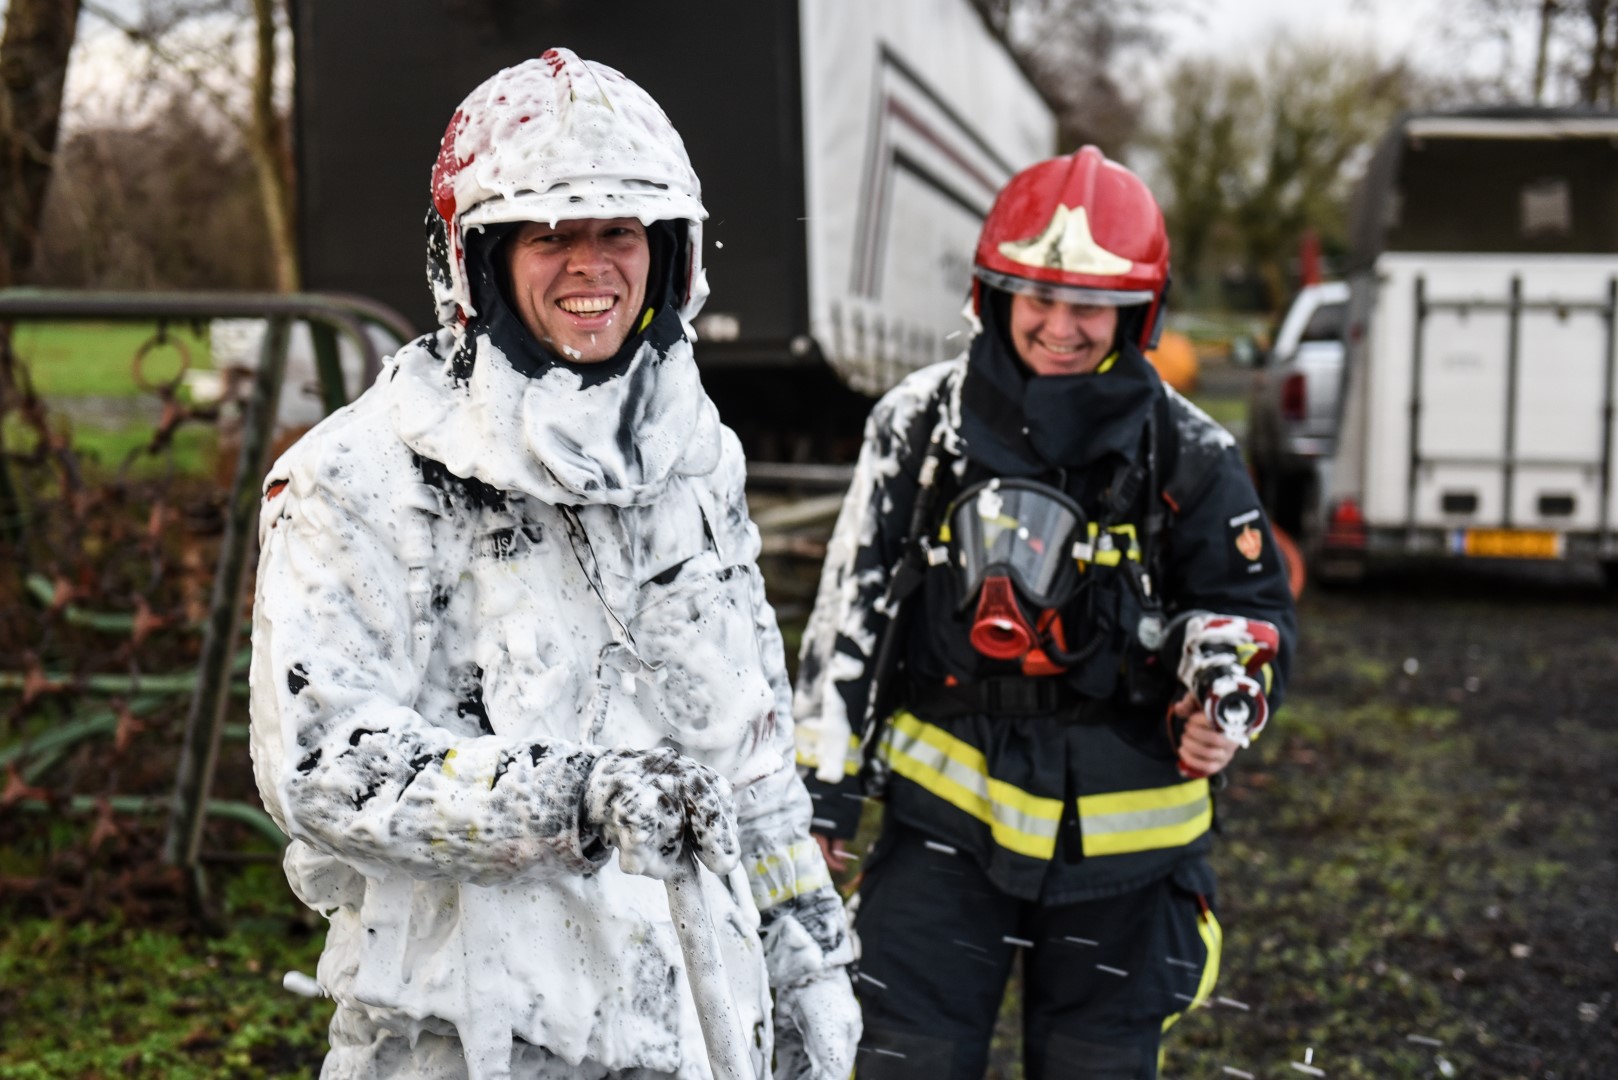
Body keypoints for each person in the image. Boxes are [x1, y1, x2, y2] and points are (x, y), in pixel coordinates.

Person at [249, 50, 858, 1080]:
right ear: (476, 261)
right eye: (547, 234)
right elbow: (322, 764)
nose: (590, 265)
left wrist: (808, 955)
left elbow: (745, 743)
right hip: (460, 1032)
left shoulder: (693, 459)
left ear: (670, 254)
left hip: (690, 1025)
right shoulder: (357, 477)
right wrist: (575, 797)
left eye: (618, 231)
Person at [792, 147, 1298, 1079]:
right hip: (944, 832)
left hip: (1129, 857)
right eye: (1037, 299)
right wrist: (821, 806)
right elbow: (848, 619)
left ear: (1136, 314)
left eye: (1089, 306)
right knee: (902, 1062)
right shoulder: (919, 426)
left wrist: (1221, 691)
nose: (1061, 327)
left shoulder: (1189, 451)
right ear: (992, 295)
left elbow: (1249, 609)